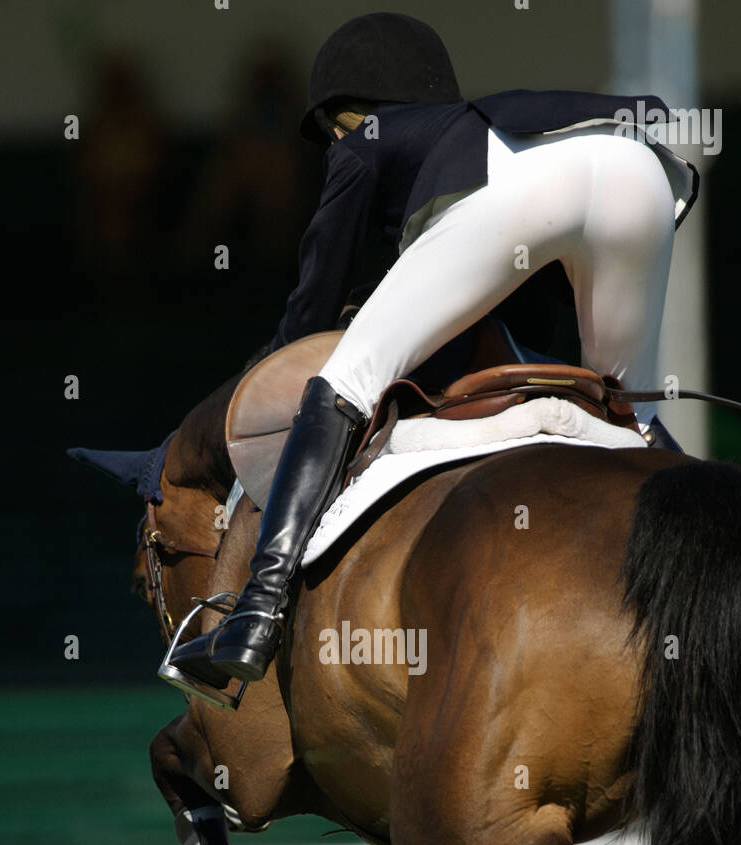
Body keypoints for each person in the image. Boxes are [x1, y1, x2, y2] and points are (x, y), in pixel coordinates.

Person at [172, 11, 697, 690]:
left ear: (345, 115)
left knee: (343, 380)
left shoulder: (364, 139)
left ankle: (255, 614)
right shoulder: (487, 125)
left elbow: (315, 289)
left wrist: (282, 357)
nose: (335, 142)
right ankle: (735, 551)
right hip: (639, 172)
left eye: (333, 130)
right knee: (627, 408)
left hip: (530, 194)